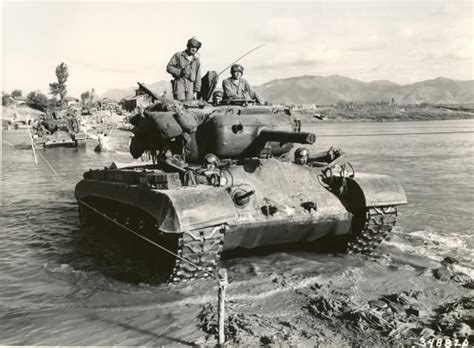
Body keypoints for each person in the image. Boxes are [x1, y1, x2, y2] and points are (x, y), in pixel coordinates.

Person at [166, 37, 202, 101]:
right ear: (188, 46)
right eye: (192, 47)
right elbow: (169, 67)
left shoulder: (196, 60)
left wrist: (196, 90)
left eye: (196, 48)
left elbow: (198, 76)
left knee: (190, 105)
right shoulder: (178, 55)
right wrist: (180, 72)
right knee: (179, 105)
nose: (194, 49)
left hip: (191, 85)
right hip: (179, 83)